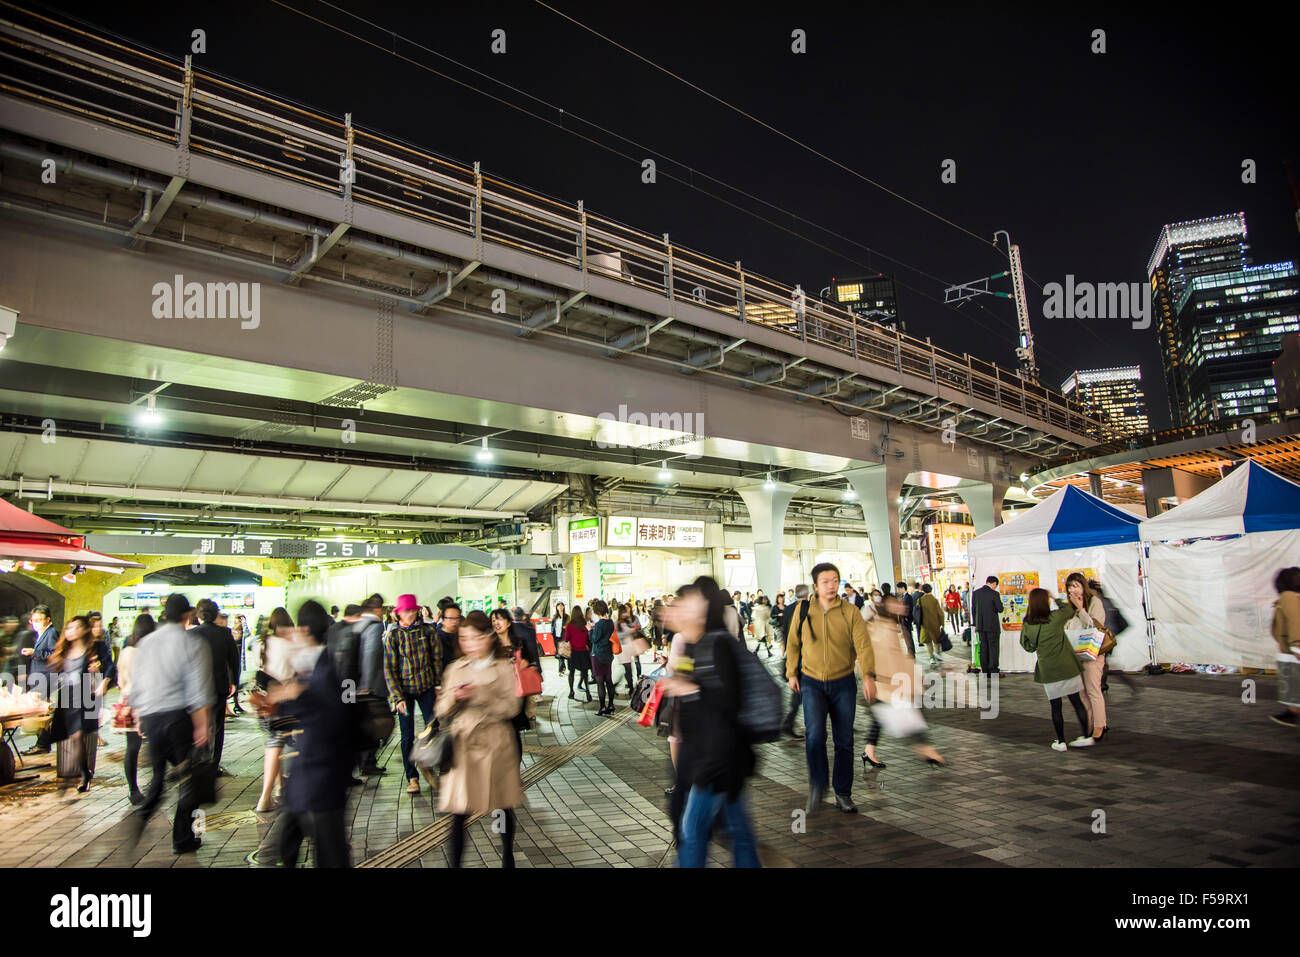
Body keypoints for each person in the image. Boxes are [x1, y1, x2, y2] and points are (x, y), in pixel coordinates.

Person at [659, 576, 760, 868]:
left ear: (704, 607)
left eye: (687, 602)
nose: (679, 608)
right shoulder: (693, 646)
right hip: (711, 759)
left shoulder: (716, 645)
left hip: (718, 761)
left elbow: (729, 702)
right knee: (738, 831)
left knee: (693, 830)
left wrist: (691, 688)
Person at [255, 600, 354, 868]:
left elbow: (336, 713)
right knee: (291, 841)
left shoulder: (326, 668)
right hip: (310, 774)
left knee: (330, 853)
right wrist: (279, 706)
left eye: (297, 628)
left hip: (322, 774)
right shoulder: (317, 665)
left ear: (305, 629)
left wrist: (292, 699)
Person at [436, 609, 525, 868]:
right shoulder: (456, 668)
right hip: (464, 746)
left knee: (502, 804)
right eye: (464, 638)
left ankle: (507, 857)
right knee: (459, 811)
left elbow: (512, 707)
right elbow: (441, 711)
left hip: (496, 744)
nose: (469, 644)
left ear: (489, 637)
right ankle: (455, 863)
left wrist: (481, 697)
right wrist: (454, 698)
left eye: (475, 638)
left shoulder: (504, 666)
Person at [785, 563, 875, 814]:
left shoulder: (850, 612)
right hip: (811, 681)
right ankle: (817, 785)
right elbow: (792, 643)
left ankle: (843, 793)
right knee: (814, 736)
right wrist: (791, 672)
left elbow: (864, 645)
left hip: (843, 681)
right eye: (826, 581)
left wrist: (868, 675)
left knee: (844, 740)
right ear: (815, 586)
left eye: (835, 580)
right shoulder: (803, 610)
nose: (831, 585)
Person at [126, 594, 211, 854]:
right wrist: (202, 726)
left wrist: (139, 717)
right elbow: (198, 691)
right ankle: (183, 837)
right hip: (178, 720)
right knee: (189, 779)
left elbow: (137, 685)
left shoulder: (147, 643)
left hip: (151, 718)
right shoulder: (192, 642)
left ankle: (143, 813)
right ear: (187, 615)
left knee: (158, 776)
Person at [861, 593, 945, 770]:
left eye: (899, 603)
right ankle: (925, 748)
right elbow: (881, 658)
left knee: (882, 717)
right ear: (886, 607)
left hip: (890, 684)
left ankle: (869, 751)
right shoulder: (881, 628)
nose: (900, 605)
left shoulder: (891, 625)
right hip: (888, 684)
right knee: (912, 716)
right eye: (894, 604)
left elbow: (899, 657)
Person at [385, 593, 443, 796]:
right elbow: (389, 669)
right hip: (404, 693)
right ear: (398, 613)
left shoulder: (428, 631)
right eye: (405, 610)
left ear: (417, 611)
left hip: (426, 687)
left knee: (433, 728)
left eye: (412, 610)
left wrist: (438, 684)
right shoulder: (393, 636)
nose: (409, 614)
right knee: (407, 735)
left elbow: (436, 659)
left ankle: (429, 765)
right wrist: (397, 697)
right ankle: (412, 777)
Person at [47, 614, 114, 792]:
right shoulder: (64, 649)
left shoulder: (94, 647)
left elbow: (109, 667)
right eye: (69, 628)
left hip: (85, 695)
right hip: (67, 695)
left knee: (77, 736)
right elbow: (55, 674)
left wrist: (102, 680)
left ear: (84, 629)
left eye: (76, 627)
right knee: (69, 736)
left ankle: (84, 775)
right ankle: (83, 772)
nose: (71, 631)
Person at [1019, 588, 1091, 751]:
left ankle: (1061, 741)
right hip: (1067, 666)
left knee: (1056, 706)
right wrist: (1054, 597)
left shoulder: (1028, 623)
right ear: (1046, 601)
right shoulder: (1055, 618)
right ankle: (1086, 736)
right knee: (1076, 702)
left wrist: (1036, 646)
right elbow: (1069, 609)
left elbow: (1026, 645)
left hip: (1048, 669)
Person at [189, 599, 239, 777]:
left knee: (199, 724)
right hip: (219, 687)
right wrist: (234, 682)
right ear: (216, 614)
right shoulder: (225, 633)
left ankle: (200, 759)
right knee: (218, 727)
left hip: (197, 688)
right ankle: (214, 762)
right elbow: (234, 660)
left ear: (198, 615)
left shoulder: (192, 634)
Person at [254, 606, 296, 812]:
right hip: (281, 703)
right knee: (276, 744)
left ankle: (280, 787)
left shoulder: (261, 643)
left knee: (274, 743)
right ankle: (265, 797)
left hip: (262, 704)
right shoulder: (288, 645)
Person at [1064, 572, 1108, 744]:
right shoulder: (1070, 608)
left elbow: (1094, 626)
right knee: (1082, 692)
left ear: (1083, 586)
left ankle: (1100, 725)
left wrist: (1081, 609)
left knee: (1093, 689)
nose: (1072, 590)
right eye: (1069, 587)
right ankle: (1089, 725)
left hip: (1093, 653)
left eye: (1075, 585)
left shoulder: (1094, 603)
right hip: (1076, 654)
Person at [117, 613, 155, 804]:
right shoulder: (149, 652)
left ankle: (133, 789)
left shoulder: (126, 652)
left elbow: (120, 681)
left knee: (131, 748)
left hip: (128, 702)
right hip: (148, 702)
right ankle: (158, 782)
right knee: (157, 743)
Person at [356, 593, 388, 776]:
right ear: (378, 609)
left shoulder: (358, 623)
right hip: (371, 686)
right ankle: (368, 762)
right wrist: (368, 684)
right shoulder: (375, 626)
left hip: (353, 684)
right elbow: (370, 653)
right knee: (377, 724)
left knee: (364, 723)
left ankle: (364, 761)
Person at [20, 605, 58, 752]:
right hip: (40, 677)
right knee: (42, 710)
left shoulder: (51, 633)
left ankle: (42, 744)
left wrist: (34, 652)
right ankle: (42, 743)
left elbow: (53, 654)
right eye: (33, 620)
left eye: (39, 619)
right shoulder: (42, 633)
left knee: (42, 710)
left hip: (45, 677)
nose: (35, 622)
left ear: (47, 619)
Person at [1271, 566, 1300, 727]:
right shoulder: (1295, 597)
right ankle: (1292, 713)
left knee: (1294, 682)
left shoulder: (1288, 597)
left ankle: (1292, 714)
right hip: (1290, 649)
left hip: (1291, 649)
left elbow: (1296, 620)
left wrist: (1297, 644)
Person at [778, 584, 808, 739]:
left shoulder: (788, 609)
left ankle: (790, 723)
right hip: (803, 656)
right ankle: (789, 723)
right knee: (801, 693)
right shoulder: (807, 609)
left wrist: (784, 651)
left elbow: (785, 632)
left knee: (799, 692)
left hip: (792, 654)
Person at [588, 599, 617, 715]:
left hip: (598, 654)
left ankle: (602, 707)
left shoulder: (599, 624)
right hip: (608, 654)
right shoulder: (611, 622)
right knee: (608, 680)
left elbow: (594, 639)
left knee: (600, 682)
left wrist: (590, 630)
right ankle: (611, 705)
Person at [971, 576, 1004, 675]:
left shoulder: (976, 593)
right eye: (995, 586)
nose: (995, 588)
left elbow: (973, 610)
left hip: (980, 626)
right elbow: (1000, 609)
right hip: (992, 626)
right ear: (994, 583)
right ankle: (993, 671)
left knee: (983, 648)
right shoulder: (994, 594)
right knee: (993, 648)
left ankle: (985, 671)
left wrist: (976, 624)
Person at [563, 606, 593, 701]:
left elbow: (567, 638)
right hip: (583, 651)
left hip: (573, 652)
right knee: (584, 673)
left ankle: (571, 691)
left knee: (571, 672)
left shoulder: (569, 626)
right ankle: (588, 692)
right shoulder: (584, 624)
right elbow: (588, 638)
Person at [615, 603, 643, 694]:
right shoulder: (617, 623)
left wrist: (633, 630)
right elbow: (618, 636)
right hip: (622, 649)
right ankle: (629, 688)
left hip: (629, 647)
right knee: (627, 669)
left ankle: (626, 687)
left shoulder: (628, 621)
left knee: (628, 669)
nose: (626, 613)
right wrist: (630, 631)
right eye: (624, 612)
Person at [918, 583, 945, 666]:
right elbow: (940, 613)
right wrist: (942, 623)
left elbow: (918, 613)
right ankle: (938, 654)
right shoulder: (935, 600)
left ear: (923, 590)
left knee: (928, 642)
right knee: (936, 640)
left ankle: (931, 658)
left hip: (925, 624)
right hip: (935, 623)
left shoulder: (920, 600)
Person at [895, 582, 916, 657]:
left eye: (899, 589)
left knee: (908, 636)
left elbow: (909, 609)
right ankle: (910, 652)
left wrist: (906, 618)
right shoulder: (902, 597)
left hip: (906, 619)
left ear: (903, 588)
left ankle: (911, 653)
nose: (898, 590)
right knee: (906, 637)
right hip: (903, 619)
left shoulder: (908, 597)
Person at [551, 600, 568, 675]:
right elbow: (552, 626)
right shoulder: (555, 617)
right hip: (556, 637)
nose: (560, 607)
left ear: (564, 607)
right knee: (559, 653)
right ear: (557, 608)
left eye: (561, 606)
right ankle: (562, 668)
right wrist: (552, 633)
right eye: (558, 606)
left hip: (563, 637)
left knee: (562, 653)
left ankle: (561, 669)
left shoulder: (567, 617)